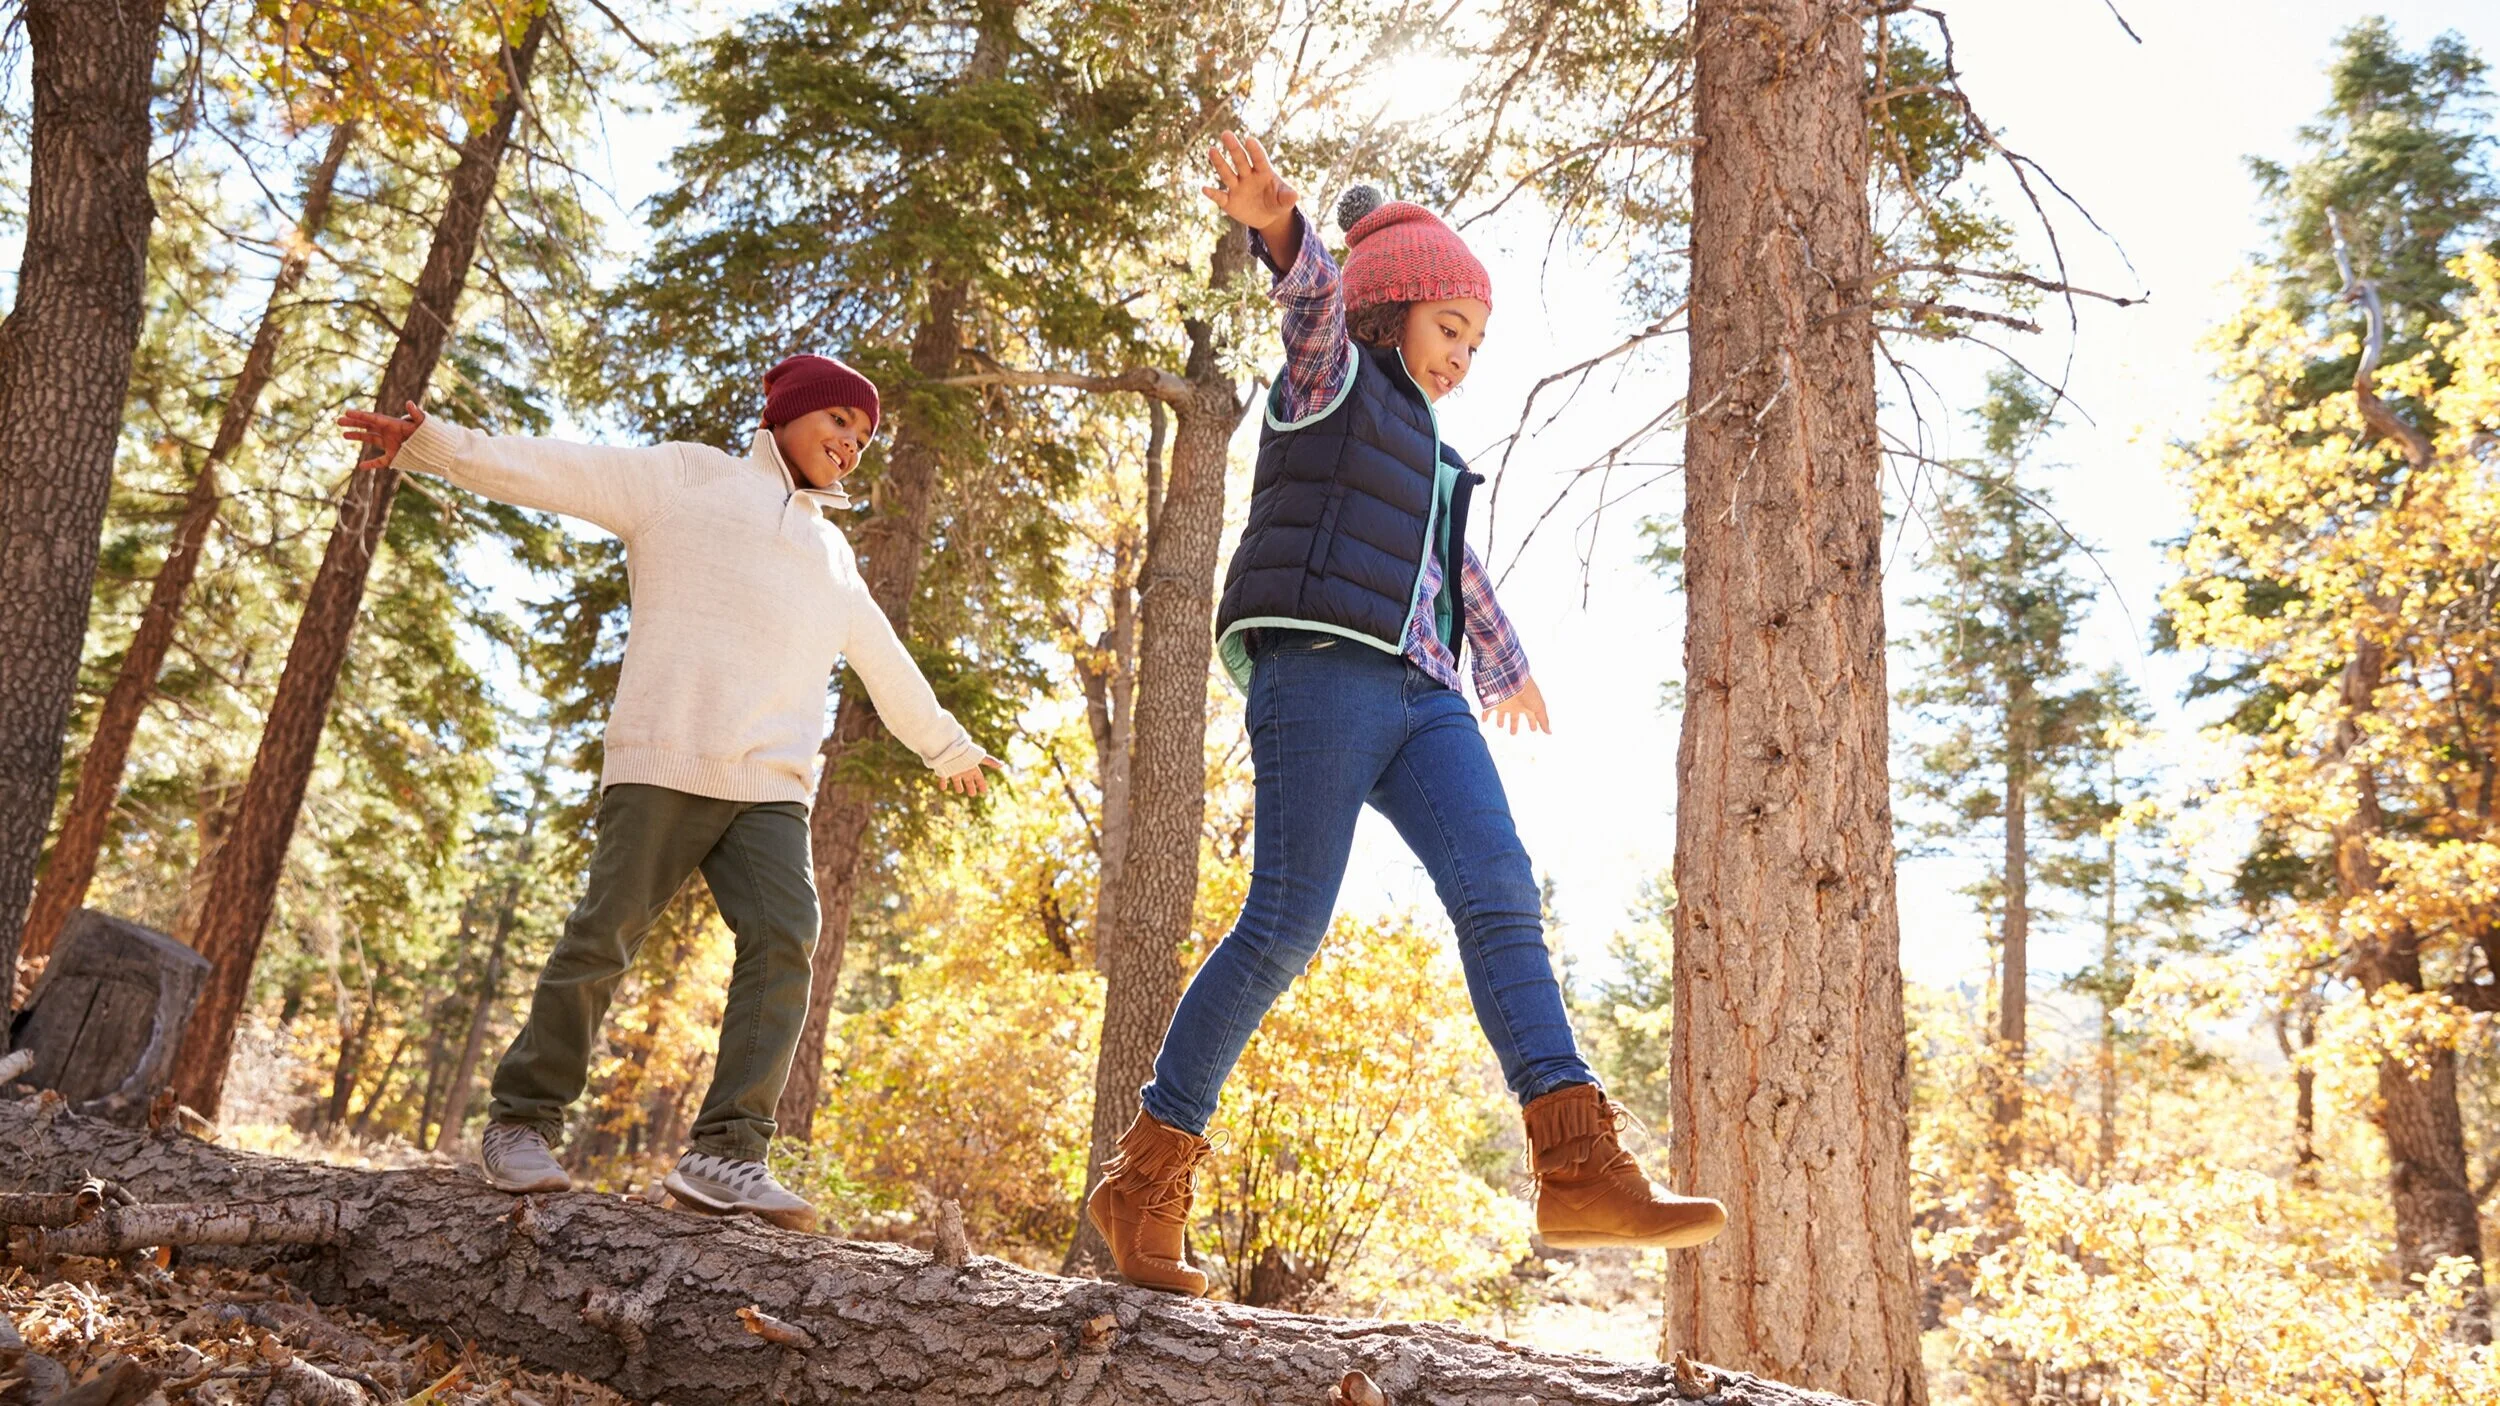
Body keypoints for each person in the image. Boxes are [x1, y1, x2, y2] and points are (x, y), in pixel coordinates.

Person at [1084, 135, 1726, 1295]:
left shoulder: (1433, 447)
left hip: (1424, 693)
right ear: (1391, 316)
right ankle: (1147, 1173)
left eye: (1475, 345)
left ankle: (1576, 1161)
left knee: (1499, 890)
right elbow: (1314, 298)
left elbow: (1453, 568)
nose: (1461, 360)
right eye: (1448, 333)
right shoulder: (1332, 376)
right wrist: (1279, 228)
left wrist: (1506, 663)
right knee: (1283, 924)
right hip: (1320, 666)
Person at [340, 355, 1000, 1231]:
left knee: (786, 936)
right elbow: (560, 468)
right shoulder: (686, 477)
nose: (851, 442)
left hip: (769, 786)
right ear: (790, 414)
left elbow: (884, 658)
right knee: (604, 937)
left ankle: (728, 1152)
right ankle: (522, 1123)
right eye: (838, 419)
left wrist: (946, 745)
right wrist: (430, 447)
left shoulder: (831, 552)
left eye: (865, 435)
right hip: (665, 757)